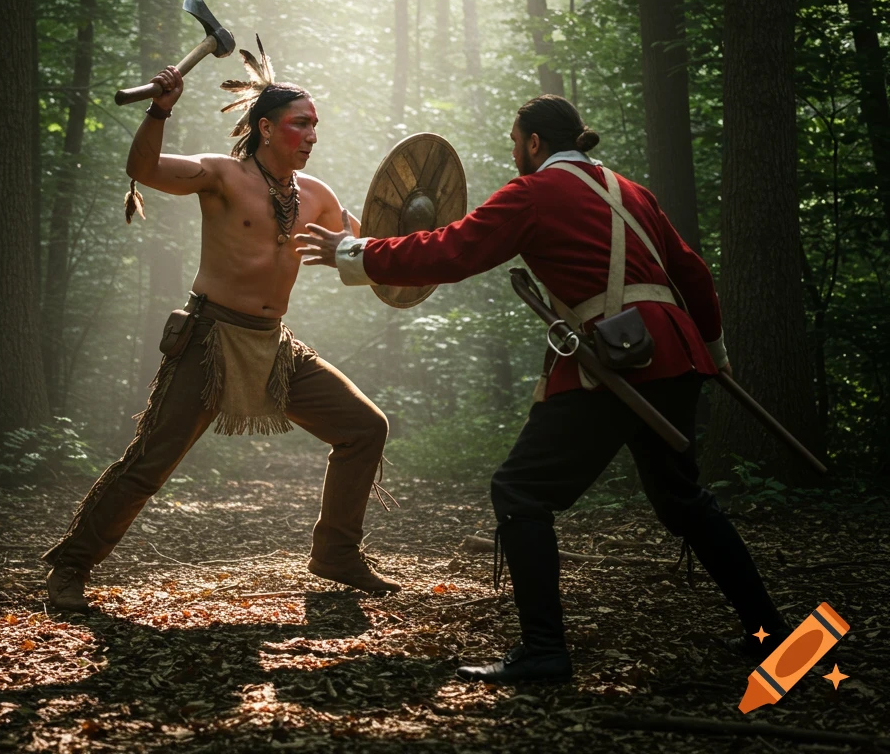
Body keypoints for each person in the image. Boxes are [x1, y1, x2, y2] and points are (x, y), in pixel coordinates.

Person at [297, 94, 788, 683]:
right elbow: (692, 274)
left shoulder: (531, 193)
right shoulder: (632, 191)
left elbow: (454, 250)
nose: (513, 151)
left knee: (521, 493)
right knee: (683, 500)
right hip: (677, 357)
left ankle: (544, 654)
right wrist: (714, 353)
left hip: (616, 361)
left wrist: (354, 251)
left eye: (515, 140)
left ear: (533, 142)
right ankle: (774, 636)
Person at [43, 40, 400, 611]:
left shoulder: (318, 196)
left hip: (273, 347)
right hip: (209, 341)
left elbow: (374, 252)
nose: (311, 135)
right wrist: (160, 110)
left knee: (364, 427)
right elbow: (144, 170)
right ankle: (70, 566)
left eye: (315, 125)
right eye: (299, 124)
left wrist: (426, 238)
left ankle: (335, 552)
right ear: (264, 128)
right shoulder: (221, 175)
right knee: (148, 465)